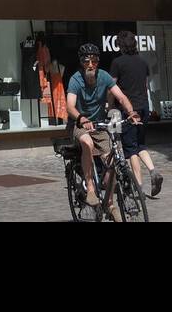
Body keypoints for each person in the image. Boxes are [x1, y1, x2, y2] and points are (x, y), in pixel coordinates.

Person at [66, 42, 139, 222]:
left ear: (98, 62)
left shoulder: (104, 76)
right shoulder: (76, 79)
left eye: (94, 61)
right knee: (87, 143)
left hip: (99, 125)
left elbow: (121, 97)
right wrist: (81, 118)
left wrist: (131, 112)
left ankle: (109, 203)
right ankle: (90, 187)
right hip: (80, 124)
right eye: (86, 61)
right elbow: (69, 106)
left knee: (112, 160)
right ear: (81, 62)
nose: (90, 64)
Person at [110, 29, 163, 198]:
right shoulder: (143, 62)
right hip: (143, 107)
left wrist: (109, 105)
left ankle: (138, 187)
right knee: (140, 144)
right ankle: (153, 171)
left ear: (120, 45)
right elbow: (145, 86)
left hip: (128, 110)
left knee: (130, 149)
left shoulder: (117, 63)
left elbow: (112, 88)